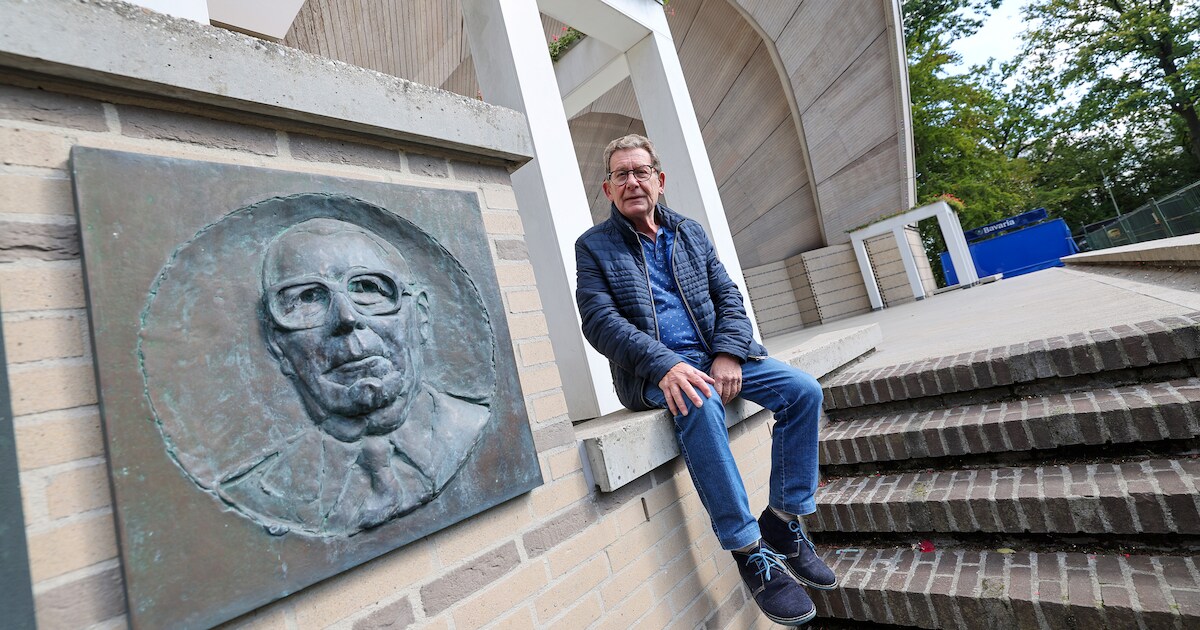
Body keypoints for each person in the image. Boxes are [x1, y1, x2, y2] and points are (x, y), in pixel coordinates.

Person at [575, 135, 837, 625]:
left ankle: (782, 519)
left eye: (640, 171)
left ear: (659, 179)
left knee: (803, 391)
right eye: (621, 175)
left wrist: (727, 353)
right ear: (608, 190)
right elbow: (599, 320)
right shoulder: (593, 246)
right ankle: (749, 550)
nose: (632, 181)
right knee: (699, 402)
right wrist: (665, 364)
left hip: (718, 356)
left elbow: (728, 298)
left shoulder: (689, 232)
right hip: (654, 371)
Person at [219, 217, 489, 536]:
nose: (346, 317)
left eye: (367, 288)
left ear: (421, 317)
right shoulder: (253, 496)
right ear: (278, 346)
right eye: (307, 298)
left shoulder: (473, 428)